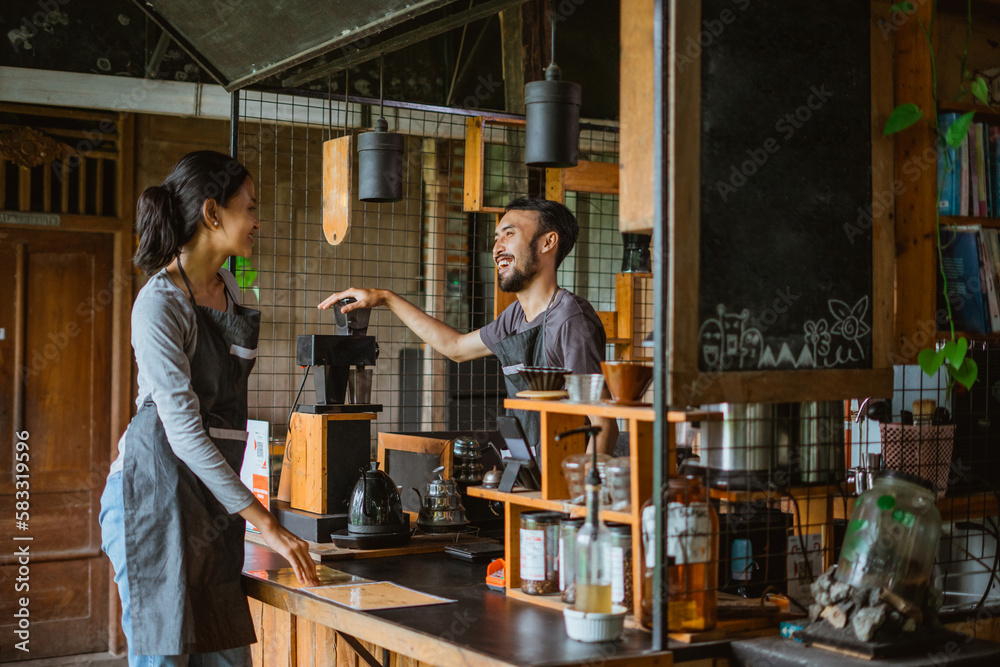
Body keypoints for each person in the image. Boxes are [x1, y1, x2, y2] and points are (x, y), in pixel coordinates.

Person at [100, 150, 319, 667]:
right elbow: (183, 431)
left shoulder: (229, 290)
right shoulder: (158, 303)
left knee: (226, 657)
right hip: (155, 500)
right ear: (212, 213)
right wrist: (267, 524)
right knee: (166, 655)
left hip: (211, 505)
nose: (257, 220)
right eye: (250, 207)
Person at [319, 197, 618, 454]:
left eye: (509, 234)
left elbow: (603, 424)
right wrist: (385, 298)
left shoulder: (571, 319)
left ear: (548, 242)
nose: (497, 247)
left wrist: (582, 502)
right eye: (496, 237)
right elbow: (456, 348)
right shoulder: (513, 318)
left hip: (567, 486)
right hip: (529, 474)